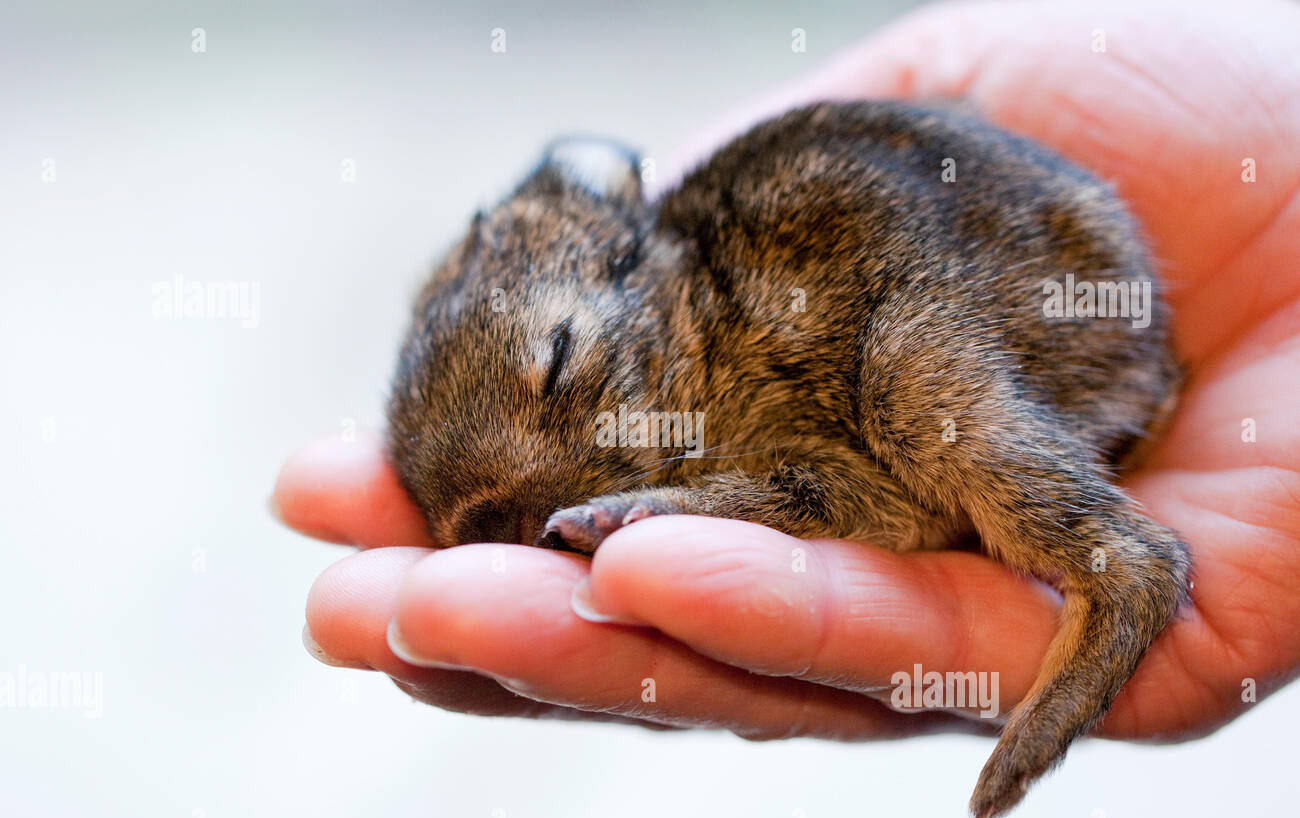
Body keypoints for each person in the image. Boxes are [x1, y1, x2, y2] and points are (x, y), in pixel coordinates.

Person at [272, 0, 1300, 747]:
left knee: (914, 390)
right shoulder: (688, 380)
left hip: (1036, 297)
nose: (528, 492)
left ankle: (1115, 560)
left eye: (561, 374)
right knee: (881, 462)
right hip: (1024, 335)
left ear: (642, 271)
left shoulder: (739, 321)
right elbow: (831, 492)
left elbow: (829, 472)